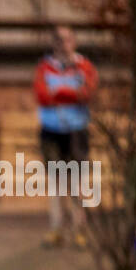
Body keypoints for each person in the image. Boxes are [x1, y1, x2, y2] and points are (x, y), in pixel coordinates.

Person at [34, 24, 98, 248]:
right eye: (59, 40)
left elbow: (87, 93)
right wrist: (71, 94)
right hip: (51, 131)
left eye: (67, 39)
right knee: (56, 183)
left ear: (74, 42)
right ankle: (56, 230)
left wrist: (59, 93)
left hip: (77, 131)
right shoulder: (44, 68)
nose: (63, 44)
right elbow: (42, 95)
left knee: (77, 182)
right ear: (53, 43)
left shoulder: (85, 66)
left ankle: (79, 231)